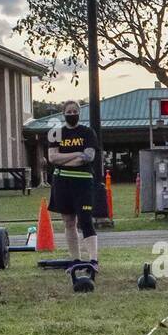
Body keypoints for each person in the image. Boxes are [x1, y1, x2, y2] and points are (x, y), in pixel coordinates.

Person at [48, 100, 100, 271]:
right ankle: (76, 259)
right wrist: (77, 153)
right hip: (62, 184)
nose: (71, 115)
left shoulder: (87, 132)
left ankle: (93, 260)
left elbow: (89, 156)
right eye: (68, 112)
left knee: (85, 220)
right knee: (69, 221)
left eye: (74, 111)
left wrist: (66, 160)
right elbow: (52, 158)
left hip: (83, 182)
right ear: (63, 113)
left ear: (79, 113)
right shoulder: (56, 133)